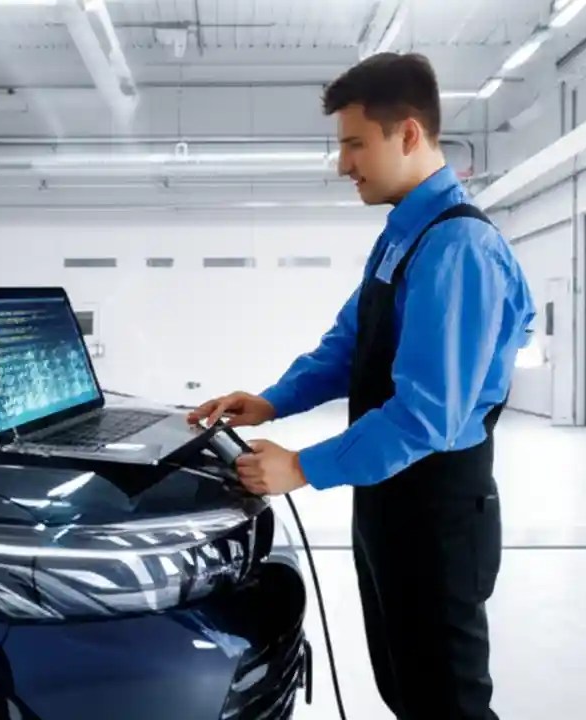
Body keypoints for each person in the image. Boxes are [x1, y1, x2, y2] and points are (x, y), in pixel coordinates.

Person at [188, 52, 534, 720]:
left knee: (448, 704)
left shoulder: (458, 247)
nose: (343, 163)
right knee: (405, 689)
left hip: (435, 512)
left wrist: (303, 467)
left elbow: (427, 415)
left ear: (407, 134)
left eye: (353, 143)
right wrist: (270, 401)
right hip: (388, 500)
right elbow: (351, 343)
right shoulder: (403, 236)